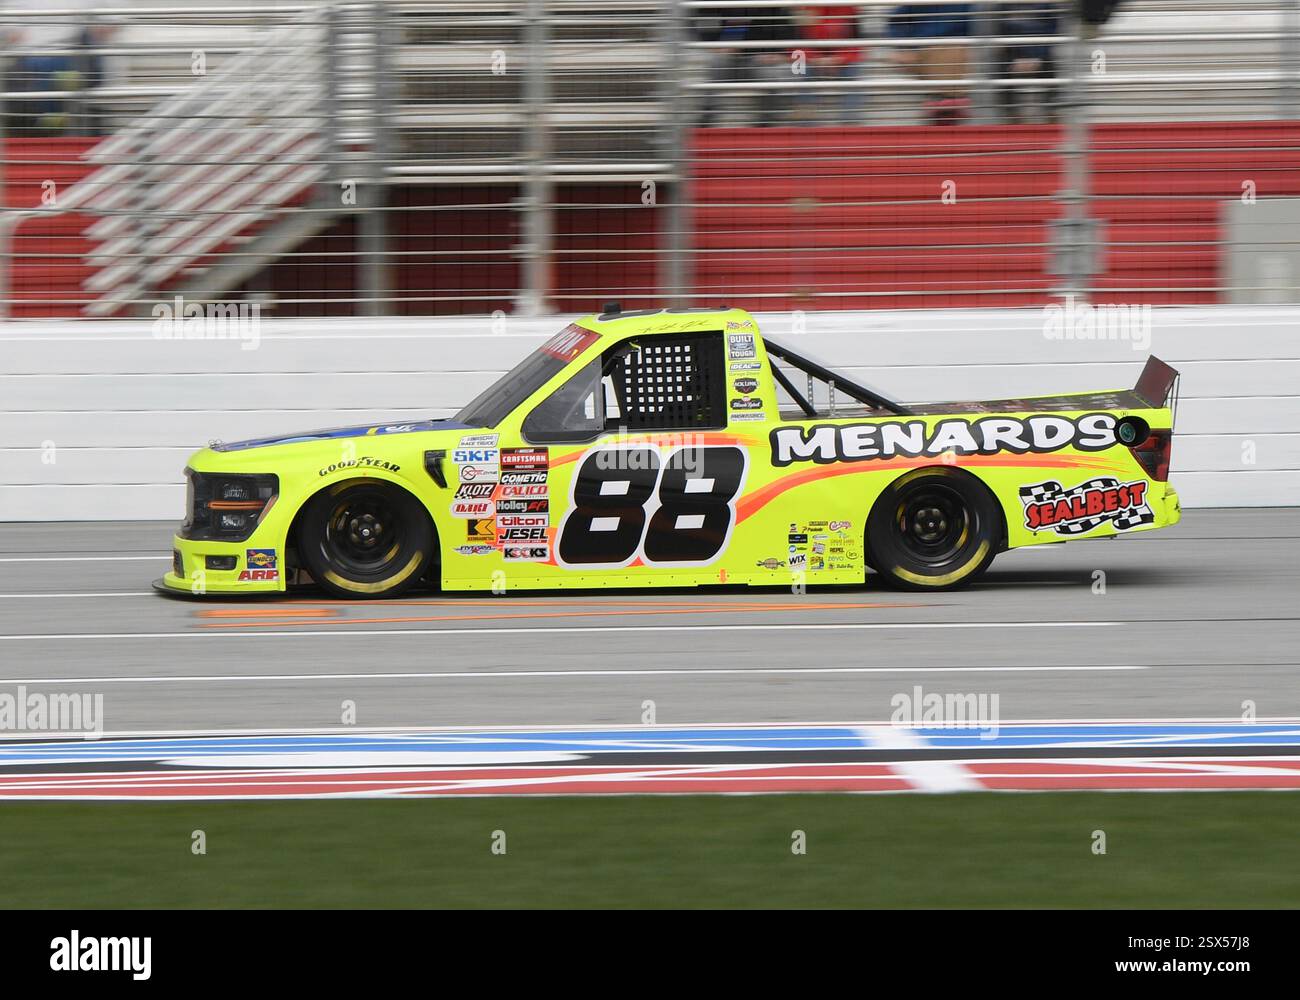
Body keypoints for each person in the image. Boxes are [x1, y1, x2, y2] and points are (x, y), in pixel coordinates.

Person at [693, 5, 796, 127]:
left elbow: (784, 32)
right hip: (724, 56)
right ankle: (707, 117)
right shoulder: (713, 5)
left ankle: (767, 122)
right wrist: (714, 46)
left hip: (756, 57)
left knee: (772, 74)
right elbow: (702, 25)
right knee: (717, 61)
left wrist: (773, 53)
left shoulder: (772, 7)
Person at [886, 3, 974, 125]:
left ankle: (946, 101)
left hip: (957, 51)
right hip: (922, 50)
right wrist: (903, 47)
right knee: (946, 52)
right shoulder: (916, 5)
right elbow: (897, 21)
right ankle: (946, 101)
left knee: (951, 51)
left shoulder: (968, 6)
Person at [794, 5, 867, 124]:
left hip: (842, 61)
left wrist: (839, 59)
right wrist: (816, 60)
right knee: (801, 70)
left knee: (854, 75)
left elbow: (857, 43)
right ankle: (806, 126)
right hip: (813, 61)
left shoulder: (850, 9)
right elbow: (798, 44)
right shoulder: (806, 8)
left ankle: (849, 124)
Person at [993, 2, 1062, 123]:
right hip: (1013, 53)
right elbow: (999, 31)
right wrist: (1015, 58)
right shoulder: (1003, 5)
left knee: (1051, 66)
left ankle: (1052, 112)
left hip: (1040, 52)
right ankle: (1010, 114)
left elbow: (1052, 31)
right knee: (999, 66)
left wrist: (1037, 57)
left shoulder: (1047, 5)